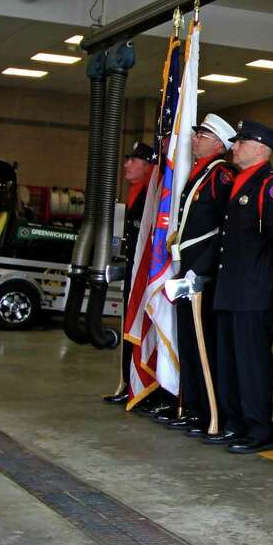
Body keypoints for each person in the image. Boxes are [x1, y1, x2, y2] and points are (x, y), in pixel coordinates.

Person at [206, 120, 273, 454]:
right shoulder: (240, 182)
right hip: (231, 289)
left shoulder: (270, 184)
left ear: (260, 148)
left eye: (240, 142)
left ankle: (260, 430)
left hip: (254, 292)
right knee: (228, 360)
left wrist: (270, 273)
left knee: (252, 363)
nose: (234, 147)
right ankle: (235, 423)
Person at [167, 114, 234, 434]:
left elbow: (225, 227)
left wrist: (201, 269)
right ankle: (191, 407)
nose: (195, 140)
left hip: (202, 275)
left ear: (220, 144)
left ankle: (208, 412)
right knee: (189, 344)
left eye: (203, 136)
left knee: (204, 345)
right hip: (187, 270)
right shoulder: (200, 173)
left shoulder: (221, 175)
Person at [103, 141, 155, 406]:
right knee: (128, 327)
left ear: (148, 167)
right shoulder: (136, 193)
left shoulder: (151, 196)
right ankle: (128, 383)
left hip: (144, 276)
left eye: (133, 161)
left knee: (139, 328)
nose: (126, 165)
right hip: (133, 273)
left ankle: (142, 386)